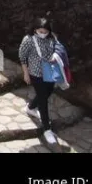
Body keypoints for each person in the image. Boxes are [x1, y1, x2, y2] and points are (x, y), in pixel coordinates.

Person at [19, 16, 63, 146]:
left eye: (45, 32)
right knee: (43, 99)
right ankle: (47, 129)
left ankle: (31, 107)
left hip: (49, 72)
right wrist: (26, 73)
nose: (43, 34)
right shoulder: (28, 40)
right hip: (36, 74)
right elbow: (22, 57)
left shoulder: (52, 38)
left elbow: (57, 50)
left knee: (48, 93)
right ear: (35, 29)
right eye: (40, 31)